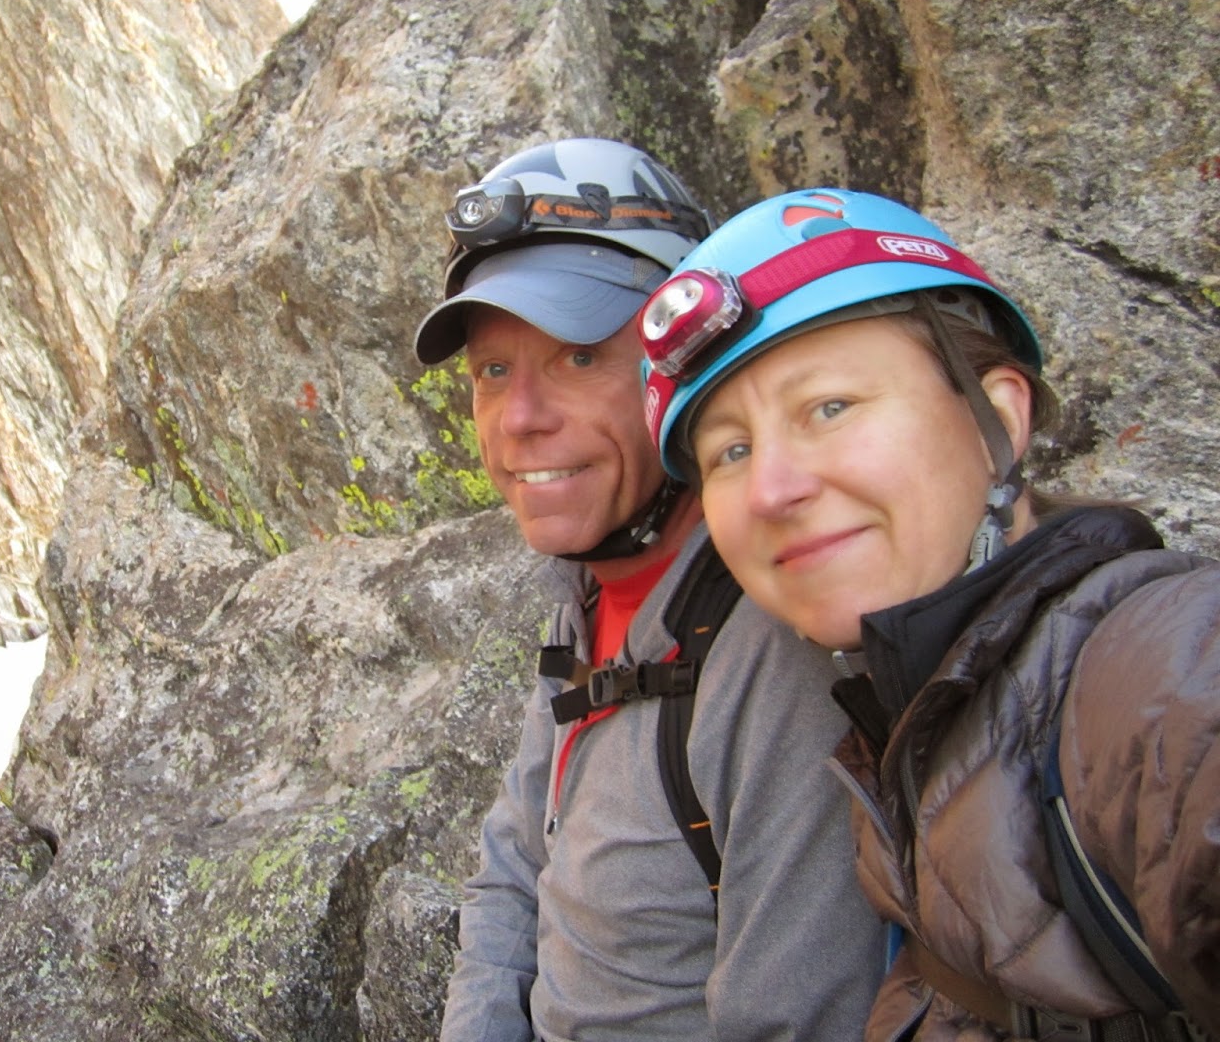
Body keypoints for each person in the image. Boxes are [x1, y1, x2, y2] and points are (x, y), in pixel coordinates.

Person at [639, 186, 1220, 1040]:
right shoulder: (922, 730)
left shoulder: (1159, 682)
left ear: (1000, 417)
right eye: (731, 450)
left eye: (830, 407)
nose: (770, 490)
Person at [414, 139, 882, 1042]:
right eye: (492, 371)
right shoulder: (585, 596)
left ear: (679, 370)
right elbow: (514, 863)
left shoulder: (778, 656)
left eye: (580, 355)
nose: (519, 420)